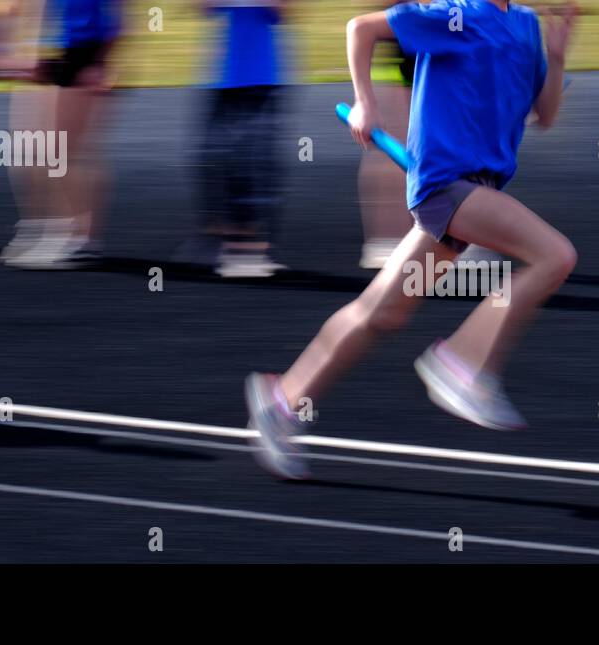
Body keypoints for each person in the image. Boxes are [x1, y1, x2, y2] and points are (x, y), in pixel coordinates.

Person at [245, 0, 578, 479]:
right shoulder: (452, 13)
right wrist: (366, 102)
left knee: (380, 313)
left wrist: (557, 54)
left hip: (478, 191)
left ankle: (281, 402)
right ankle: (461, 362)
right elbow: (360, 28)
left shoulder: (524, 25)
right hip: (447, 188)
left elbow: (543, 115)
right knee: (555, 255)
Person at [0, 0, 121, 270]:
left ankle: (81, 239)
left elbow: (117, 12)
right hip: (55, 50)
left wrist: (104, 61)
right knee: (38, 148)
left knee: (67, 152)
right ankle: (57, 230)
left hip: (84, 51)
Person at [183, 0, 291, 278]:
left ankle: (249, 247)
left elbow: (283, 10)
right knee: (217, 160)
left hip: (261, 74)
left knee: (254, 161)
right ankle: (227, 242)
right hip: (224, 75)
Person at [355, 0, 415, 269]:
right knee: (400, 137)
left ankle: (389, 240)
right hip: (419, 32)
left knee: (403, 136)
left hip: (428, 29)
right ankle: (388, 240)